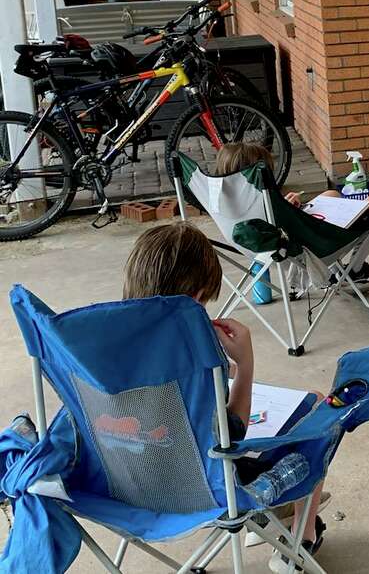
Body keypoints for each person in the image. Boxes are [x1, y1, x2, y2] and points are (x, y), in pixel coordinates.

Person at [123, 223, 329, 572]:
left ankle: (285, 518)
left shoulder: (99, 345)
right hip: (207, 491)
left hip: (128, 486)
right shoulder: (195, 353)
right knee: (318, 406)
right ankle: (301, 534)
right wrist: (244, 364)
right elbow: (232, 433)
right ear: (196, 298)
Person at [213, 142, 369, 289]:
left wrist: (286, 207)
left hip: (267, 252)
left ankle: (344, 271)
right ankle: (352, 272)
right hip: (306, 251)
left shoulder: (224, 201)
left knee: (332, 194)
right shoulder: (261, 196)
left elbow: (265, 223)